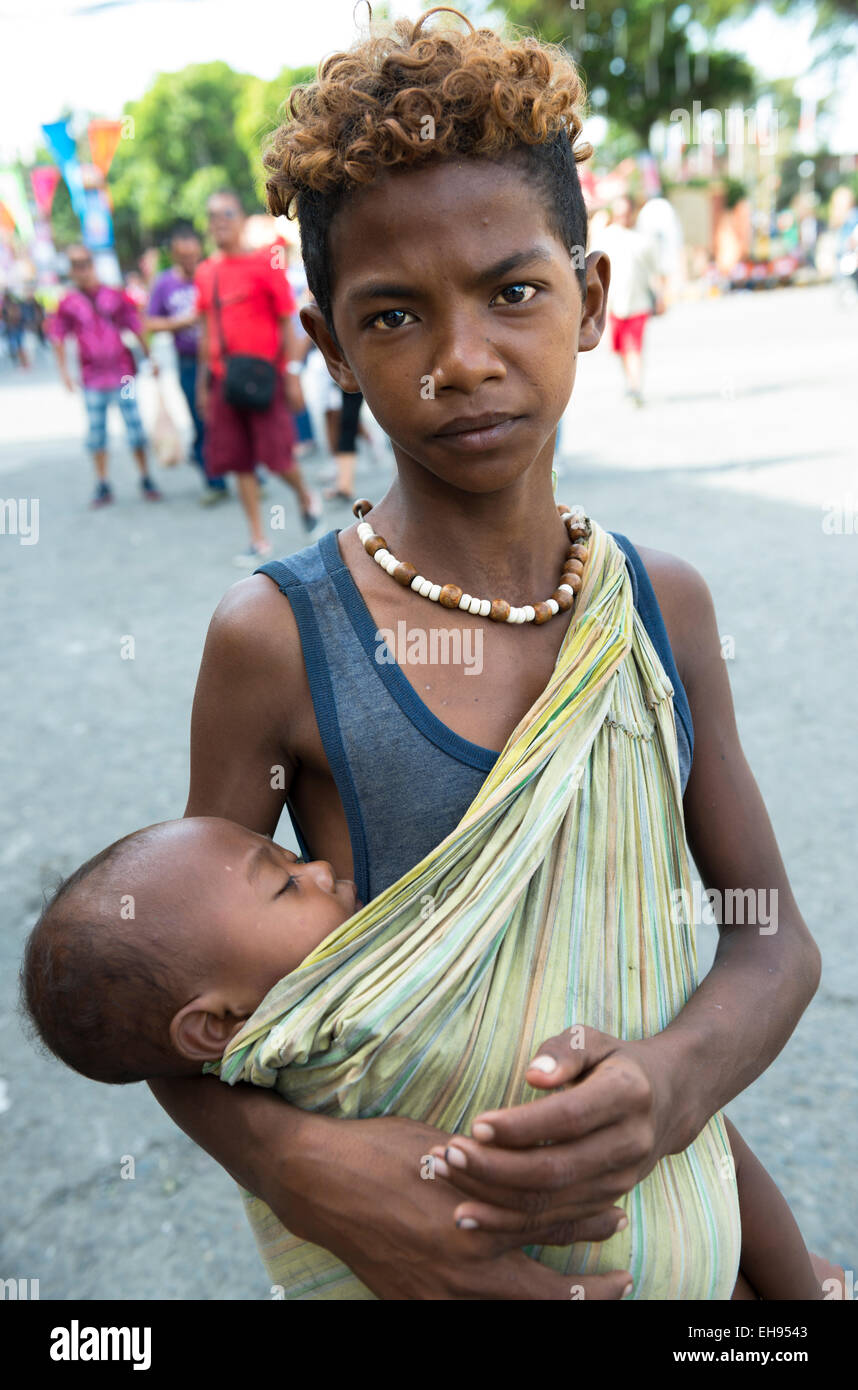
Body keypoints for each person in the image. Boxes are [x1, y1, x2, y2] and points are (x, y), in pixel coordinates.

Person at [147, 8, 825, 1301]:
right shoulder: (277, 638)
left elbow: (767, 936)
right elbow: (179, 1002)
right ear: (331, 349)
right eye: (392, 317)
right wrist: (303, 1172)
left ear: (592, 301)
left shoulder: (657, 606)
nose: (461, 361)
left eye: (513, 291)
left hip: (668, 1231)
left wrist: (673, 1080)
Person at [20, 816, 831, 1300]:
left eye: (293, 855)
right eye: (282, 884)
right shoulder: (342, 1041)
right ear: (212, 1028)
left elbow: (773, 946)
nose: (322, 866)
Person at [194, 190, 322, 565]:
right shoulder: (206, 272)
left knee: (277, 457)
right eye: (213, 215)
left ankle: (305, 495)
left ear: (240, 219)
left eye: (227, 213)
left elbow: (288, 319)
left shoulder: (264, 265)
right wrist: (203, 385)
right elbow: (206, 331)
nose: (219, 221)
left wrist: (291, 373)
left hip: (264, 376)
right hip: (224, 379)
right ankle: (258, 538)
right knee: (238, 460)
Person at [48, 246, 163, 507]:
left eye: (85, 263)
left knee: (135, 428)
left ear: (93, 264)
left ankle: (145, 477)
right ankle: (102, 482)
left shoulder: (114, 295)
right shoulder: (68, 303)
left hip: (122, 374)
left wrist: (150, 359)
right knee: (96, 433)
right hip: (92, 378)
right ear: (71, 270)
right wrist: (65, 373)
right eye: (76, 265)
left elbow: (135, 326)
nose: (82, 269)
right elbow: (57, 336)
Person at [146, 224, 228, 503]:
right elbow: (150, 322)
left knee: (230, 415)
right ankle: (214, 481)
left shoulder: (213, 272)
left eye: (193, 255)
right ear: (173, 255)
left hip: (221, 357)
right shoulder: (164, 283)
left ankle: (244, 470)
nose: (189, 261)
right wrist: (182, 322)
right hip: (188, 361)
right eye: (183, 256)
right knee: (202, 418)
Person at [593, 195, 664, 407]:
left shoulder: (643, 240)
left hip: (638, 303)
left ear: (632, 213)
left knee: (634, 347)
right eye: (618, 213)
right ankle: (630, 384)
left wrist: (660, 297)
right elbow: (589, 263)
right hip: (613, 305)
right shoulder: (605, 237)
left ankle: (635, 388)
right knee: (620, 349)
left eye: (625, 213)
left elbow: (655, 272)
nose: (622, 217)